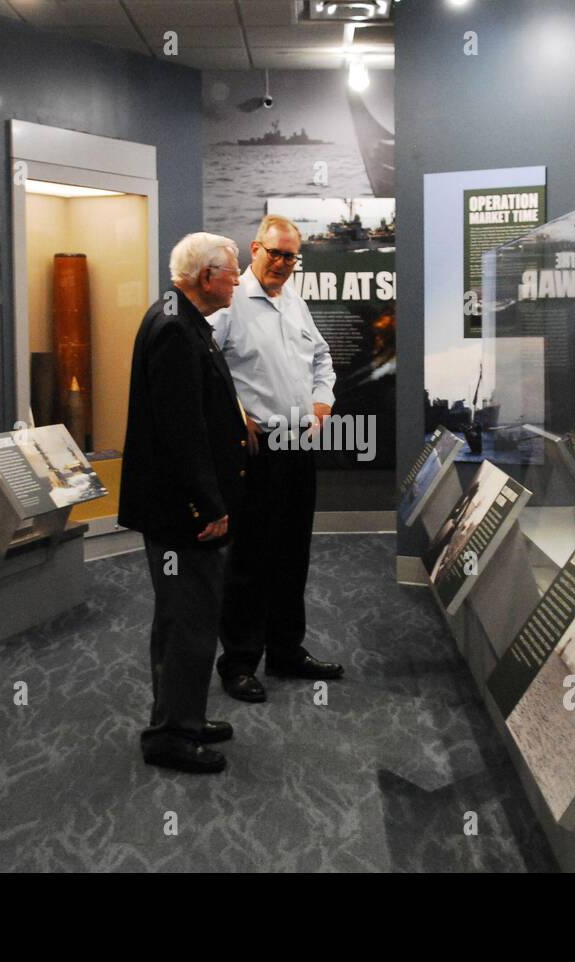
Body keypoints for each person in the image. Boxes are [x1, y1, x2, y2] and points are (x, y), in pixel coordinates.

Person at [118, 232, 247, 774]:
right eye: (233, 271)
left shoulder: (180, 317)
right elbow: (181, 432)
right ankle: (171, 737)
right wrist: (208, 505)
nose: (239, 279)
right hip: (182, 514)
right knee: (188, 621)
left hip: (179, 508)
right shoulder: (175, 327)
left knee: (185, 618)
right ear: (206, 277)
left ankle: (183, 717)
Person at [211, 214, 344, 702]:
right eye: (276, 253)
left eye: (292, 256)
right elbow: (204, 365)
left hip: (296, 446)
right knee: (249, 559)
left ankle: (286, 650)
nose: (284, 264)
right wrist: (234, 409)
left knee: (293, 553)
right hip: (256, 451)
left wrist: (323, 400)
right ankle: (240, 661)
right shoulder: (229, 303)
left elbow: (322, 358)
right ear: (255, 249)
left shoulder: (294, 302)